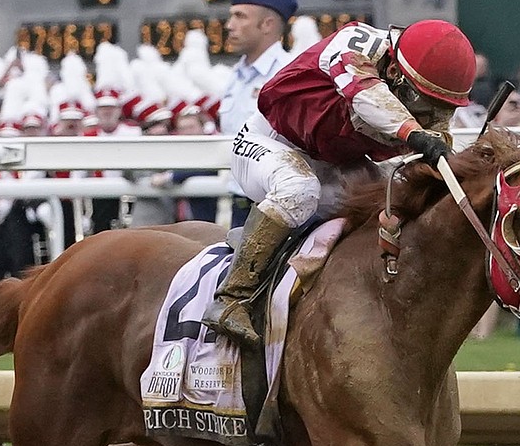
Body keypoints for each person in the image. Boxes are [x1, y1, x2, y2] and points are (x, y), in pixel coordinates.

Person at [201, 18, 476, 345]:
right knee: (298, 189)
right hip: (271, 141)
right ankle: (233, 298)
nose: (431, 114)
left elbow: (436, 135)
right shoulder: (355, 45)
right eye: (425, 103)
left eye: (441, 107)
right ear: (394, 74)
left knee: (391, 194)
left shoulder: (419, 84)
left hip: (332, 160)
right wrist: (415, 135)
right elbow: (366, 96)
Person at [217, 0, 299, 228]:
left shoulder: (290, 74)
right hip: (239, 199)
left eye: (240, 16)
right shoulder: (235, 77)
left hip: (276, 204)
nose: (229, 25)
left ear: (267, 24)